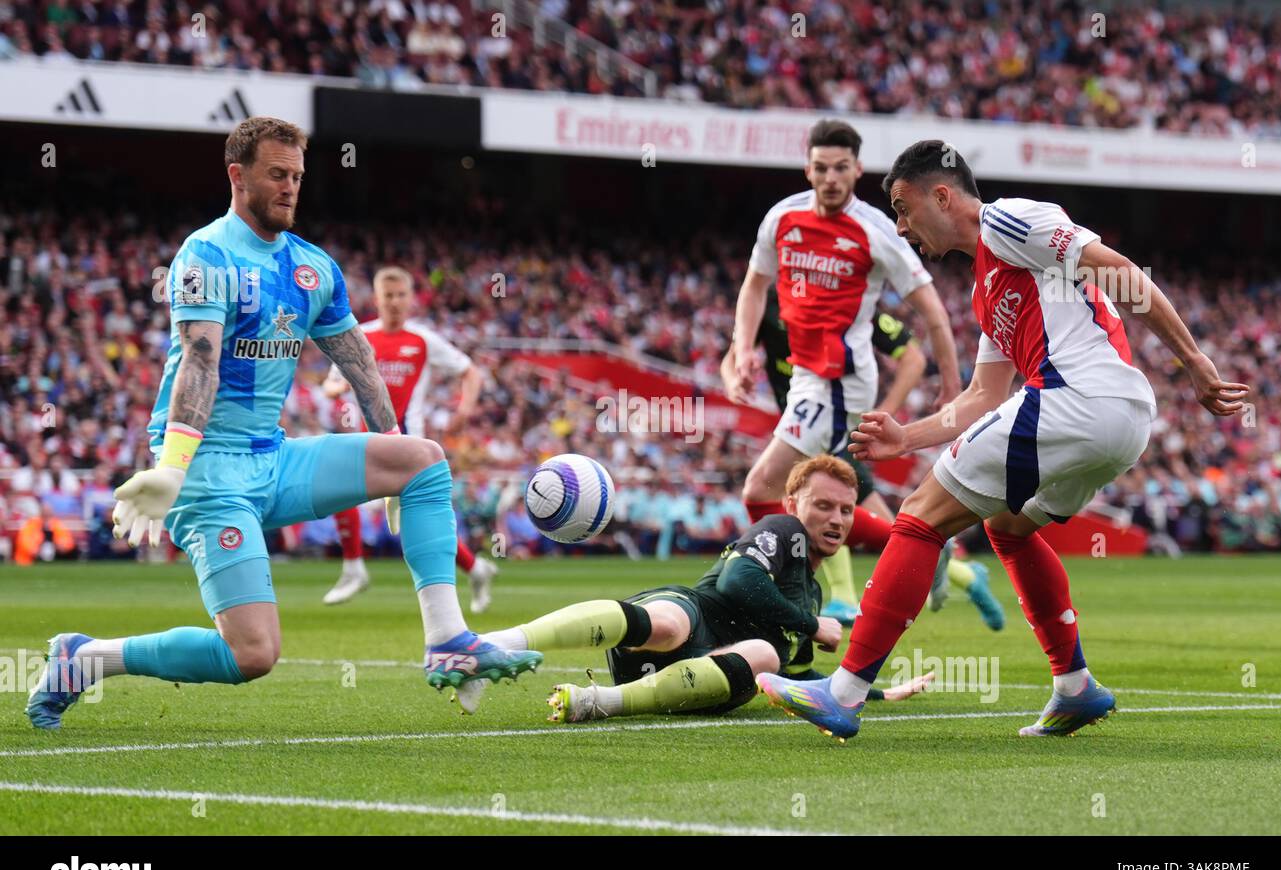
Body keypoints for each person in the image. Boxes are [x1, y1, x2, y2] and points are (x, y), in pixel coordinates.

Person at [26, 116, 539, 731]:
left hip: (272, 458)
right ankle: (85, 659)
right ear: (237, 176)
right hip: (206, 470)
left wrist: (392, 447)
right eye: (277, 174)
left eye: (296, 176)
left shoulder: (313, 267)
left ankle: (449, 639)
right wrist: (172, 468)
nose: (291, 187)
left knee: (422, 460)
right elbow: (201, 360)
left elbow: (360, 363)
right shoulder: (206, 254)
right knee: (253, 654)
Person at [757, 139, 1249, 740]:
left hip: (1078, 397)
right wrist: (905, 438)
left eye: (904, 208)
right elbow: (983, 396)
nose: (903, 227)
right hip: (1115, 421)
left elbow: (1116, 268)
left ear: (943, 195)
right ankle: (1075, 686)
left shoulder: (1008, 220)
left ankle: (843, 693)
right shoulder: (986, 291)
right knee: (1008, 528)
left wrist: (1193, 360)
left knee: (919, 516)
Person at [456, 456, 932, 719]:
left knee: (768, 657)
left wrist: (868, 690)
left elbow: (800, 678)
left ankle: (597, 703)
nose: (836, 519)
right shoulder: (783, 530)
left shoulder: (812, 593)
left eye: (846, 510)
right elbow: (737, 579)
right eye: (823, 505)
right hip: (688, 618)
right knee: (671, 623)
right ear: (792, 504)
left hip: (703, 677)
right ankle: (494, 644)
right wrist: (810, 625)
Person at [728, 119, 969, 627]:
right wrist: (741, 348)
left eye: (841, 168)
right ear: (808, 169)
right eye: (821, 168)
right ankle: (910, 547)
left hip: (840, 383)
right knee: (817, 498)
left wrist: (951, 386)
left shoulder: (875, 230)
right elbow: (754, 286)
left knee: (762, 488)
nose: (831, 178)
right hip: (806, 378)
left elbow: (932, 311)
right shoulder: (782, 218)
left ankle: (792, 594)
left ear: (857, 170)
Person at [722, 286, 1004, 629]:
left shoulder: (846, 298)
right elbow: (734, 356)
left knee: (814, 503)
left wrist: (882, 412)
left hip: (833, 424)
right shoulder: (765, 299)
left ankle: (842, 596)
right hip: (801, 429)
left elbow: (913, 358)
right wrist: (734, 378)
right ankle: (964, 573)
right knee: (879, 530)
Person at [318, 265, 496, 611]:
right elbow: (330, 382)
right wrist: (335, 387)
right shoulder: (360, 335)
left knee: (419, 526)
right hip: (370, 440)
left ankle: (474, 570)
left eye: (401, 295)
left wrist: (463, 410)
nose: (395, 302)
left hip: (411, 446)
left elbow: (471, 372)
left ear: (411, 299)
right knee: (336, 486)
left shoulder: (423, 340)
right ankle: (355, 568)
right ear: (377, 299)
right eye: (389, 296)